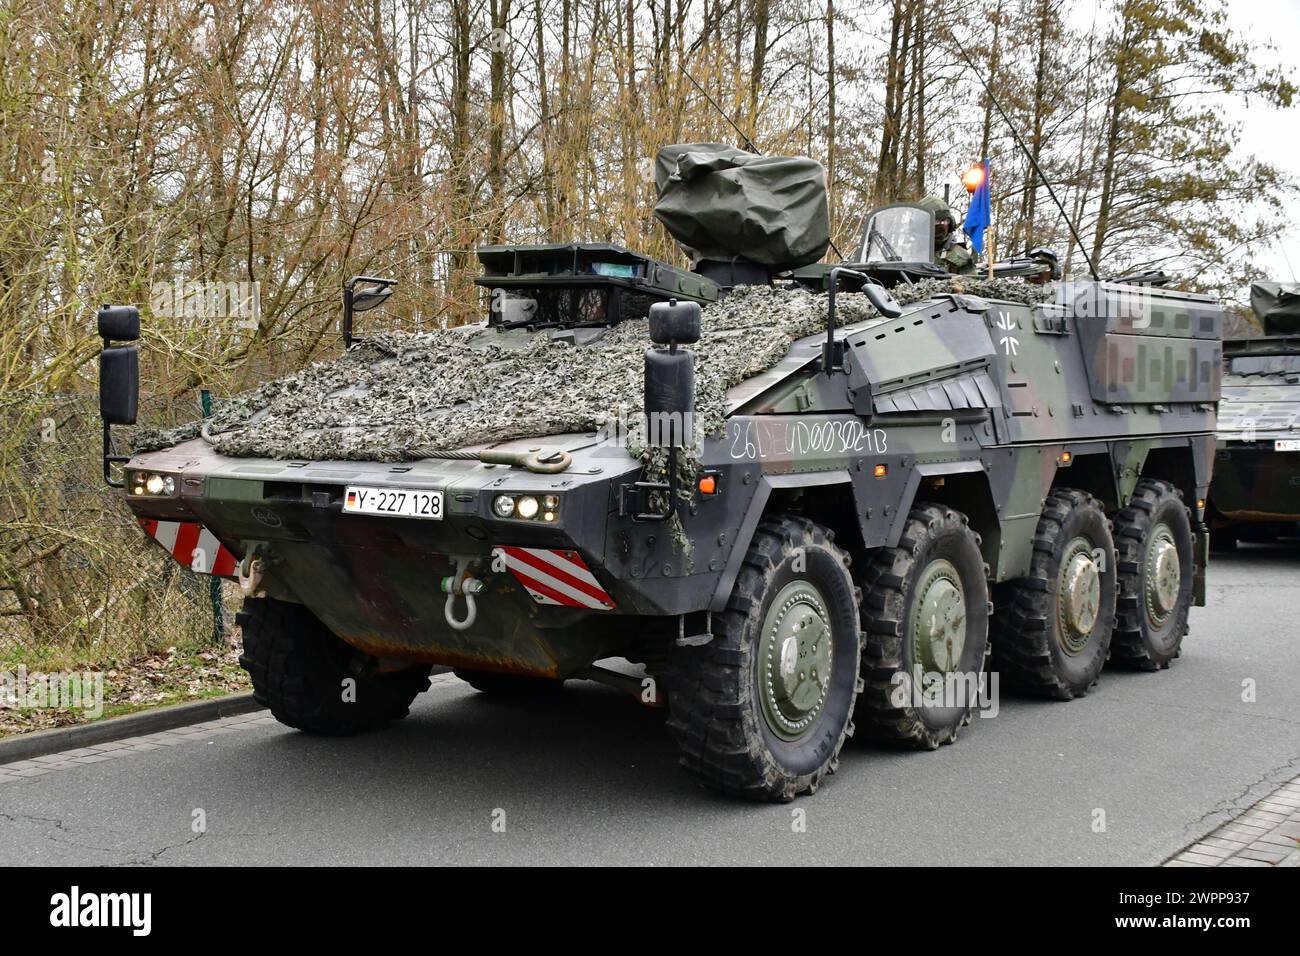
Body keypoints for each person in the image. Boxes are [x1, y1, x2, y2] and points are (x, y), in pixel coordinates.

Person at [917, 194, 976, 275]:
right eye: (936, 221)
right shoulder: (907, 252)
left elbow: (973, 283)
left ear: (951, 223)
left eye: (945, 221)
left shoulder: (960, 256)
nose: (941, 225)